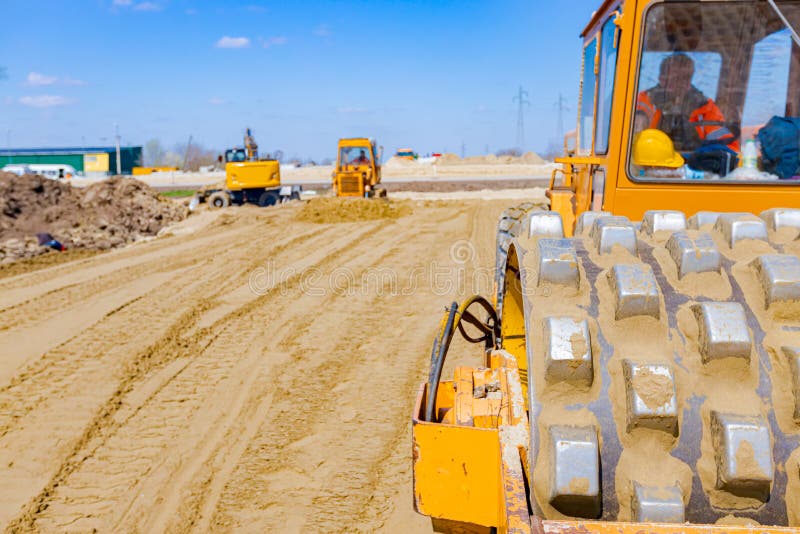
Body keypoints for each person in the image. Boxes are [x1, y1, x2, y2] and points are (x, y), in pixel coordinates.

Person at [635, 53, 737, 152]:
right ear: (662, 79)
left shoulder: (705, 108)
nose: (681, 83)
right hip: (649, 163)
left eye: (686, 78)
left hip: (694, 165)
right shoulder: (644, 102)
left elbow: (729, 147)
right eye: (676, 78)